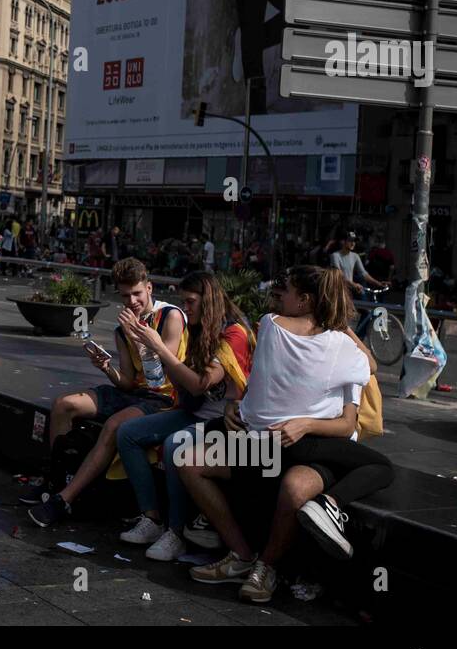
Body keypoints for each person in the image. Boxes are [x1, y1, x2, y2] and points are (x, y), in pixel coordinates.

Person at [178, 265, 392, 603]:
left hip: (315, 447)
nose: (279, 298)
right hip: (278, 446)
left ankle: (267, 566)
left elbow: (347, 424)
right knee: (191, 462)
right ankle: (243, 556)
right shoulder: (344, 350)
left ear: (304, 300)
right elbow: (371, 366)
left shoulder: (272, 326)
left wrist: (304, 423)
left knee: (294, 486)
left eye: (286, 291)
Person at [26, 257, 187, 527]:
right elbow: (126, 382)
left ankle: (65, 499)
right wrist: (106, 368)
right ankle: (57, 478)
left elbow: (161, 374)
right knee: (64, 404)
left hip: (164, 398)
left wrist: (140, 337)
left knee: (114, 425)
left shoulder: (170, 316)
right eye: (126, 296)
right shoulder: (121, 330)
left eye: (137, 293)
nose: (132, 301)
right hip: (135, 393)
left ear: (149, 287)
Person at [116, 271, 254, 560]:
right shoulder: (198, 330)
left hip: (225, 423)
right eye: (183, 302)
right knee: (127, 433)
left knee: (174, 445)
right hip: (193, 412)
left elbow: (201, 383)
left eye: (191, 302)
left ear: (210, 300)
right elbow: (172, 382)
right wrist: (144, 347)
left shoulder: (234, 333)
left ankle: (175, 532)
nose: (186, 308)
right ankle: (152, 519)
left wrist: (158, 348)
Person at [330, 230, 385, 296]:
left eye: (354, 241)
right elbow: (338, 276)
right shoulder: (335, 255)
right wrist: (353, 284)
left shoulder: (355, 256)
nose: (353, 243)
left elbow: (363, 274)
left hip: (348, 292)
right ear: (343, 242)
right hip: (337, 292)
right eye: (350, 240)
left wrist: (379, 284)